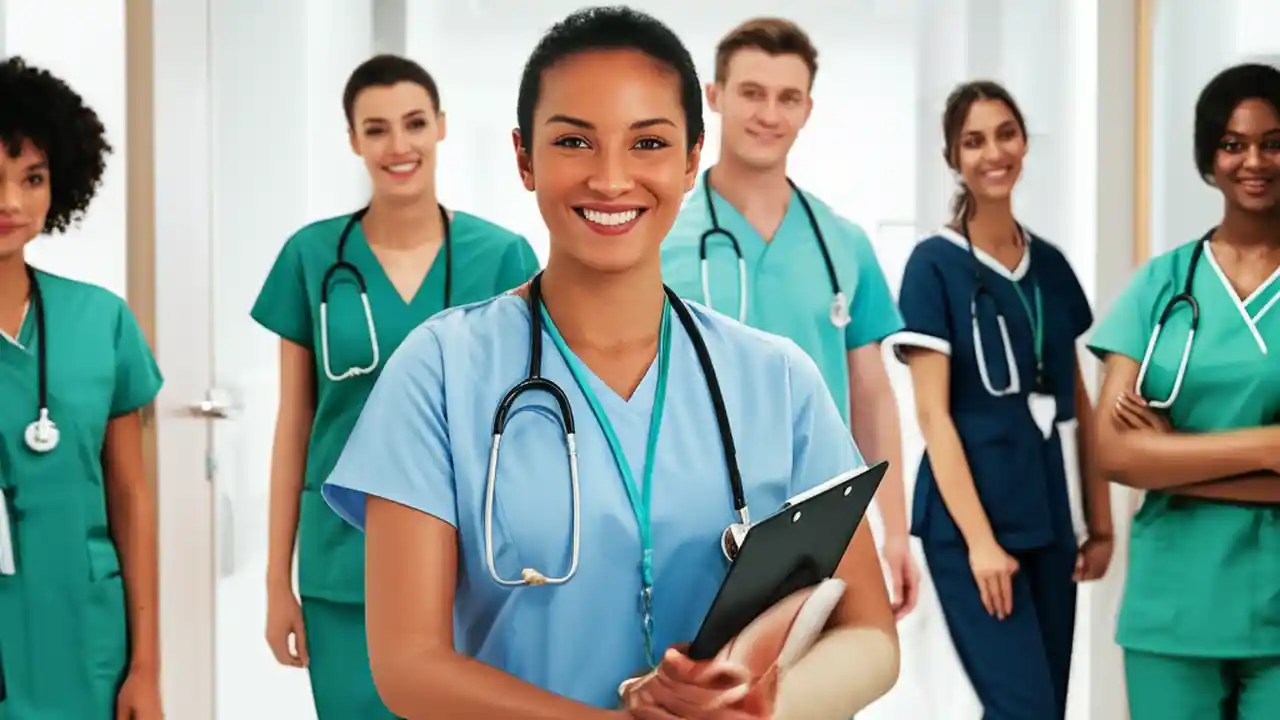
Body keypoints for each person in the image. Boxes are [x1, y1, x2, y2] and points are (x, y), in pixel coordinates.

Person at [319, 6, 900, 718]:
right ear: (524, 157)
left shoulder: (775, 380)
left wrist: (766, 708)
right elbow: (408, 666)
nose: (612, 178)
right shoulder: (440, 371)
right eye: (574, 142)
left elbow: (871, 635)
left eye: (649, 143)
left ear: (692, 159)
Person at [252, 53, 540, 718]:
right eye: (376, 128)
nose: (399, 144)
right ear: (353, 140)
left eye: (414, 123)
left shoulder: (501, 257)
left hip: (471, 559)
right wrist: (277, 583)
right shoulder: (311, 256)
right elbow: (295, 420)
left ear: (441, 126)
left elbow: (529, 420)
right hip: (340, 565)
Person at [660, 17, 920, 620]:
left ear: (807, 109)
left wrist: (896, 529)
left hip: (820, 520)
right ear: (715, 95)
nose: (768, 114)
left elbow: (871, 394)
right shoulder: (662, 236)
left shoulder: (842, 244)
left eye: (788, 98)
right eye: (752, 92)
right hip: (688, 519)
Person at [887, 80, 1114, 719]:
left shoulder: (1051, 266)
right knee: (1024, 709)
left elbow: (1074, 399)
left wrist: (1099, 519)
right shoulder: (933, 265)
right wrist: (982, 542)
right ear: (954, 158)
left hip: (1045, 512)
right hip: (969, 526)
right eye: (974, 140)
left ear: (1024, 143)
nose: (994, 153)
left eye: (1006, 134)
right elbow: (933, 415)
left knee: (1043, 710)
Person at [1090, 62, 1280, 720]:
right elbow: (1112, 455)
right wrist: (1267, 446)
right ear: (1210, 158)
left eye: (1273, 142)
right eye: (1233, 144)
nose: (1253, 160)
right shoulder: (1162, 285)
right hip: (1172, 612)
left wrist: (1170, 463)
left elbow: (1141, 460)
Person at [0, 57, 164, 719]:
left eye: (32, 178)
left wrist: (147, 669)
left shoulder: (102, 321)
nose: (11, 201)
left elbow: (130, 495)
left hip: (83, 636)